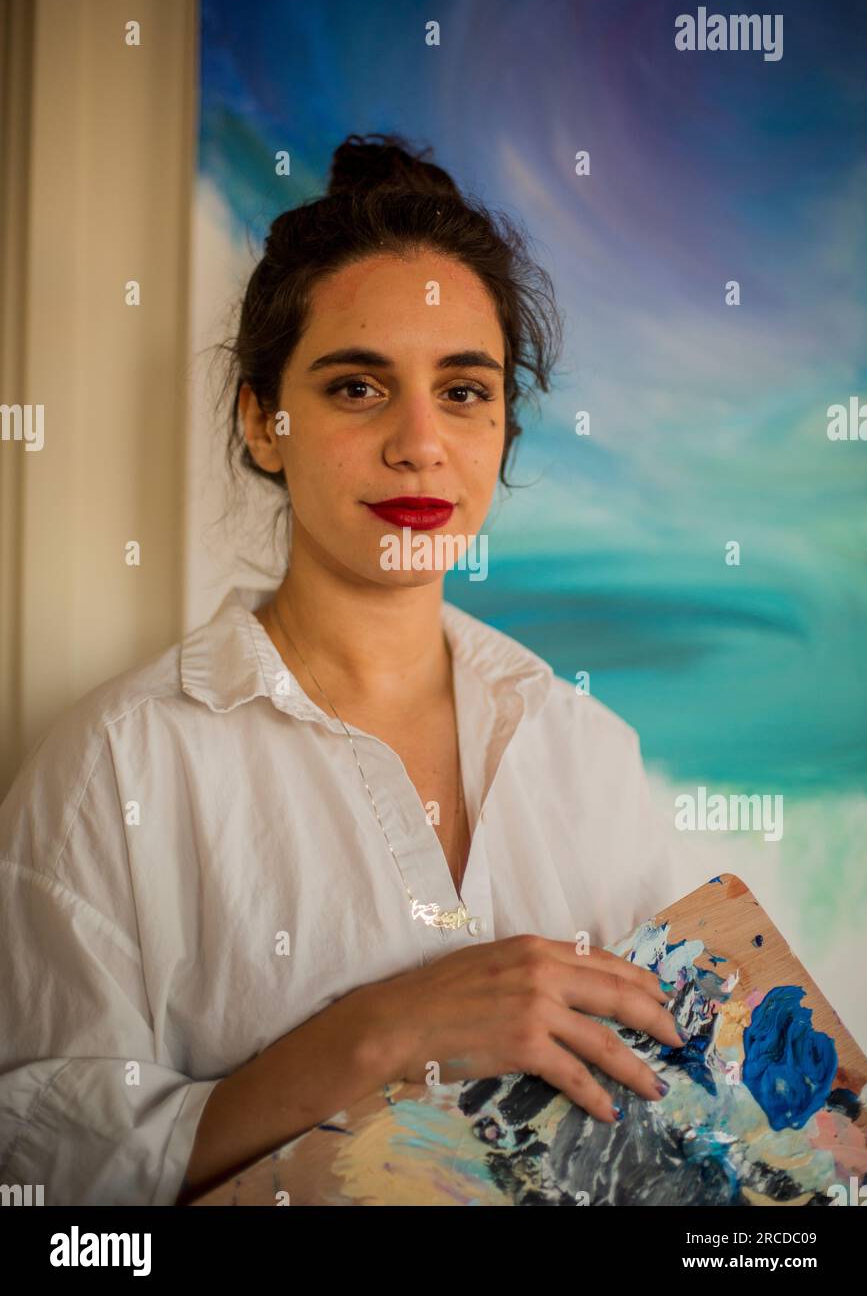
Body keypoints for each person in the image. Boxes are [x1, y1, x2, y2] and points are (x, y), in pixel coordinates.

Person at [0, 133, 689, 1207]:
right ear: (260, 423)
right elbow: (50, 1185)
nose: (421, 442)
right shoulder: (115, 769)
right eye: (360, 386)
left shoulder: (587, 752)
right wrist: (381, 1034)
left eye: (464, 391)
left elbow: (663, 1111)